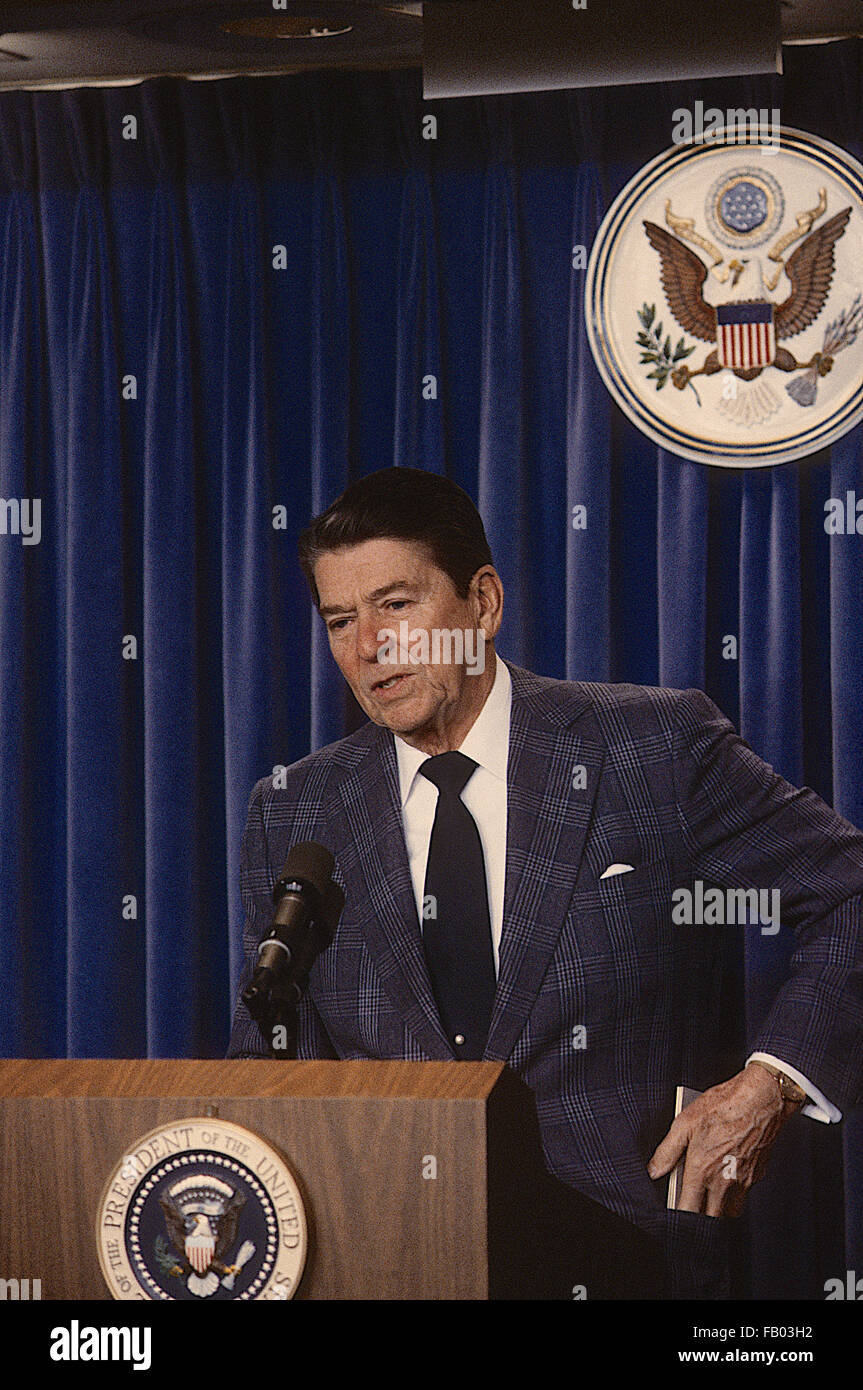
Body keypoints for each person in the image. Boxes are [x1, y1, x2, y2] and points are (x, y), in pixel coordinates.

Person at [227, 466, 863, 1297]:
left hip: (628, 1256)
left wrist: (769, 1085)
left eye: (395, 605)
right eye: (339, 619)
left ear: (482, 604)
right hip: (390, 1259)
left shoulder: (649, 747)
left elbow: (849, 893)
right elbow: (277, 1053)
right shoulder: (295, 806)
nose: (366, 646)